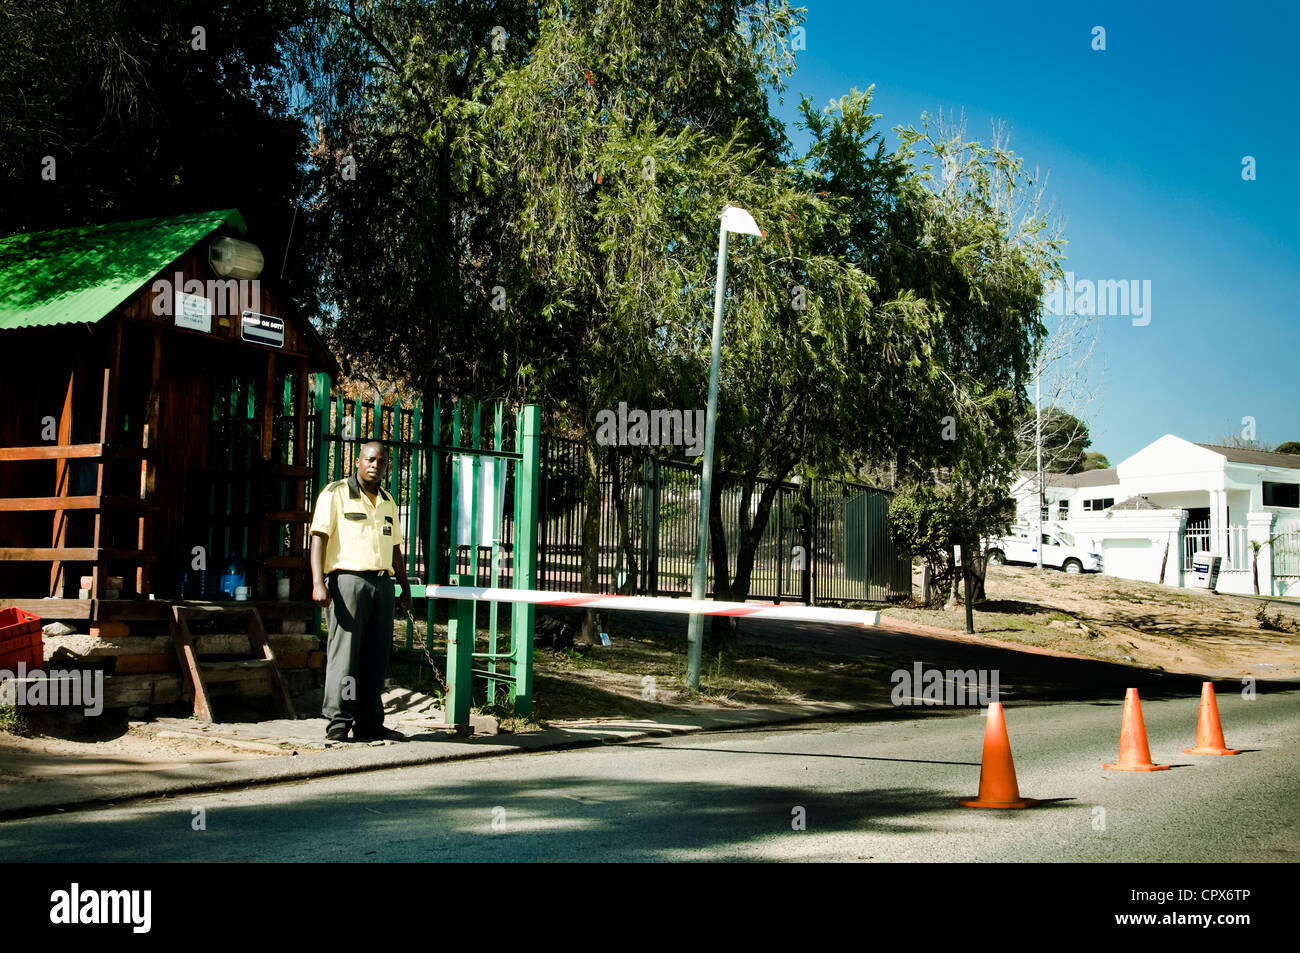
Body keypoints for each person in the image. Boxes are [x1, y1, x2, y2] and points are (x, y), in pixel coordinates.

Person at [309, 440, 410, 741]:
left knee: (375, 657)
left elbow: (395, 550)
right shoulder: (336, 493)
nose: (375, 465)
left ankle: (369, 723)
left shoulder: (388, 500)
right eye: (370, 459)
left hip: (382, 584)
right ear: (357, 461)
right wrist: (317, 582)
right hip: (348, 582)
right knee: (346, 656)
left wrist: (404, 587)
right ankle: (339, 721)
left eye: (381, 461)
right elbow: (319, 539)